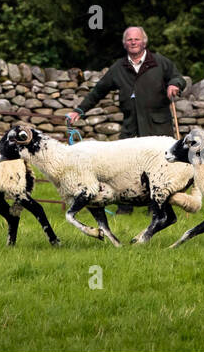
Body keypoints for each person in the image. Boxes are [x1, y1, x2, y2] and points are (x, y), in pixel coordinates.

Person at [67, 26, 185, 214]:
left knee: (160, 167)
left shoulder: (160, 62)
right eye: (129, 39)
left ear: (144, 42)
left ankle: (157, 207)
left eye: (136, 39)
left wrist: (173, 85)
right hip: (132, 125)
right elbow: (98, 91)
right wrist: (79, 111)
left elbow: (178, 77)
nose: (133, 42)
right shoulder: (119, 68)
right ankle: (124, 207)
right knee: (123, 166)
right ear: (124, 43)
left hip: (158, 125)